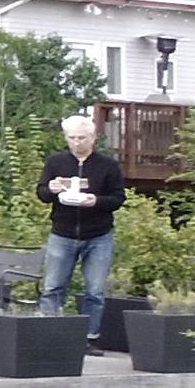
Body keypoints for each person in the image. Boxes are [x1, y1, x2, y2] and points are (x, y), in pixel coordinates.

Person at [38, 111, 126, 341]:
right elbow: (42, 194)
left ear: (93, 137)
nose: (77, 143)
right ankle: (49, 334)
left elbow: (118, 198)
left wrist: (96, 201)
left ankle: (90, 337)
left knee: (95, 291)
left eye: (81, 138)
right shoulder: (56, 162)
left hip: (98, 235)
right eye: (72, 138)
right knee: (53, 287)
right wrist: (52, 189)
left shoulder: (108, 166)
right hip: (63, 233)